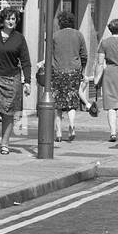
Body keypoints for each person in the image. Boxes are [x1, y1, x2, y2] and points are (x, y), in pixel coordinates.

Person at [0, 6, 31, 155]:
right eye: (8, 18)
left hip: (11, 78)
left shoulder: (19, 38)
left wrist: (27, 81)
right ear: (2, 20)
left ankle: (5, 144)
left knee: (8, 112)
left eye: (14, 19)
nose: (11, 21)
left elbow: (26, 61)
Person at [49, 10, 89, 142]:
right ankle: (71, 125)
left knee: (58, 103)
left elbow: (50, 54)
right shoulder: (78, 35)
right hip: (74, 71)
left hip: (58, 71)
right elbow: (84, 55)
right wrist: (82, 69)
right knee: (72, 101)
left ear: (60, 23)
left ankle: (58, 132)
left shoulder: (55, 36)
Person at [94, 19, 118, 141]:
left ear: (110, 29)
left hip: (109, 73)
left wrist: (96, 79)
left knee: (111, 106)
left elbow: (100, 63)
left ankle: (113, 132)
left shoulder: (104, 43)